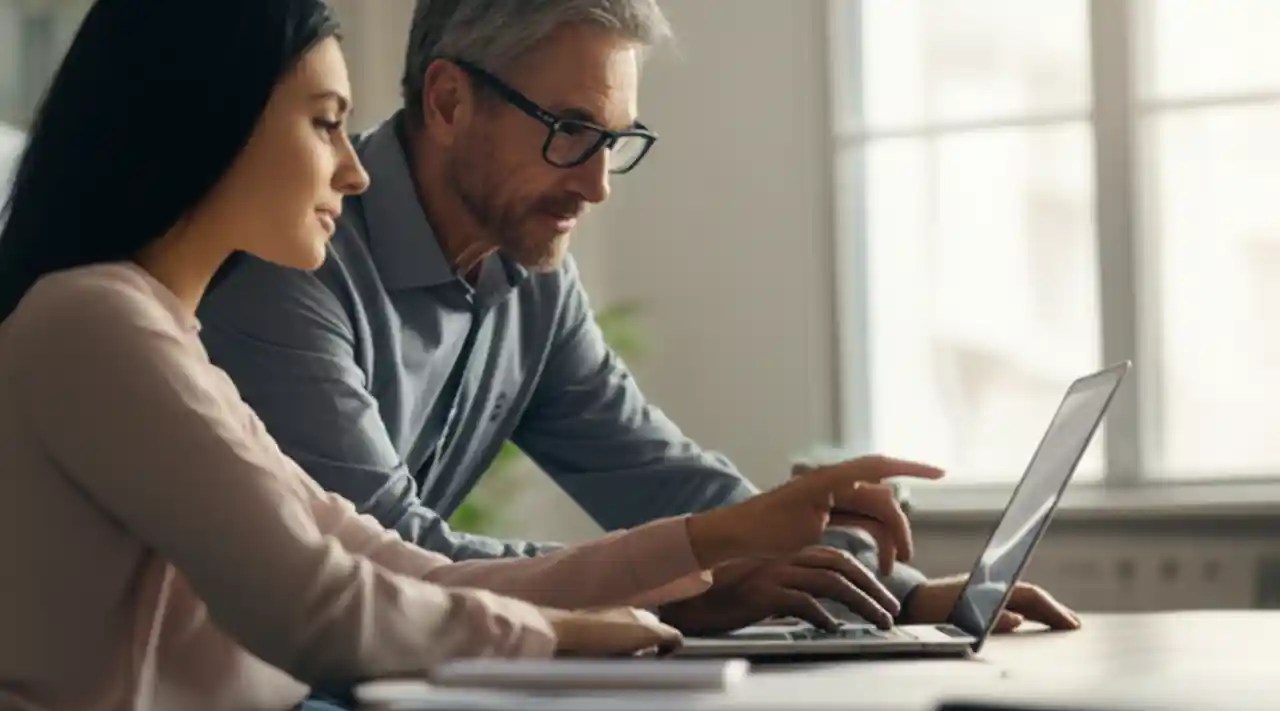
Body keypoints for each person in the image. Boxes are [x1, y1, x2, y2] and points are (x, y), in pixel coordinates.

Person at [0, 2, 944, 711]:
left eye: (615, 141)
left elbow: (401, 568)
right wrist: (585, 630)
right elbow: (338, 599)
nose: (353, 165)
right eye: (325, 122)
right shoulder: (115, 321)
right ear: (449, 99)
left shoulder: (166, 343)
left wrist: (854, 583)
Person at [199, 0, 1082, 635]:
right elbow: (395, 556)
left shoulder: (531, 278)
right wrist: (695, 586)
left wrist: (899, 594)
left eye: (615, 141)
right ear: (447, 102)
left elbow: (667, 480)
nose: (596, 183)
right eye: (570, 131)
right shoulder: (289, 259)